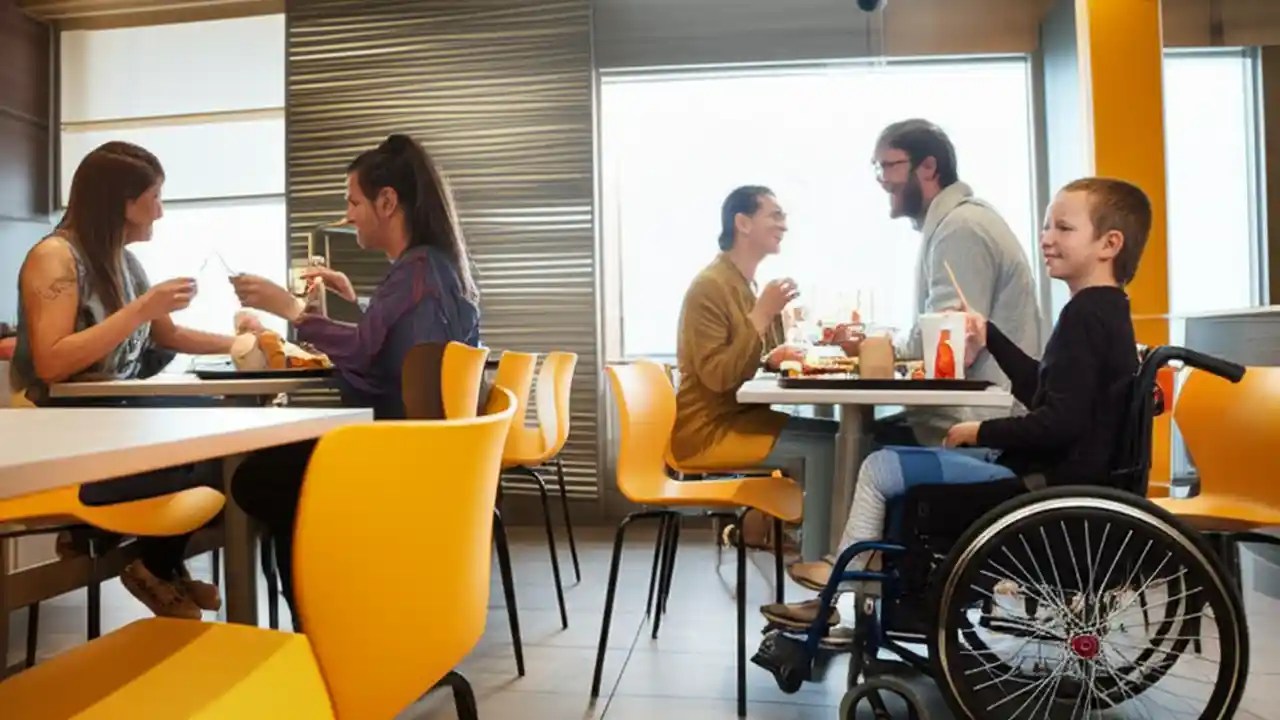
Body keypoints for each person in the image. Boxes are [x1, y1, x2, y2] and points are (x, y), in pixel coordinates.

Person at [768, 177, 1148, 616]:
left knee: (880, 466)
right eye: (1046, 227)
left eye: (1063, 228)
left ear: (1109, 244)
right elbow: (1048, 392)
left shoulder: (1084, 317)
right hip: (1063, 480)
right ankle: (851, 581)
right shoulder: (1105, 311)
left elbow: (1060, 421)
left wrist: (978, 430)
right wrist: (990, 337)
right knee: (896, 466)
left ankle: (842, 583)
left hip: (1042, 486)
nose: (1046, 239)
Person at [228, 133, 481, 627]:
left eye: (354, 201)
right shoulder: (436, 268)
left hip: (395, 457)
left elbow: (368, 354)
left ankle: (322, 629)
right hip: (435, 458)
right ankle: (329, 621)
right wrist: (358, 303)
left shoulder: (416, 272)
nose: (347, 215)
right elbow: (400, 342)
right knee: (278, 474)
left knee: (261, 478)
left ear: (387, 202)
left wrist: (292, 308)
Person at [9, 141, 235, 619]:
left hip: (114, 422)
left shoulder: (124, 262)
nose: (161, 210)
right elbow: (50, 362)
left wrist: (241, 345)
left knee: (227, 440)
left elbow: (167, 334)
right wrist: (140, 310)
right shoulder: (55, 257)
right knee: (190, 446)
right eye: (154, 196)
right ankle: (145, 559)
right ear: (123, 202)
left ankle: (154, 561)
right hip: (61, 432)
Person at [839, 119, 1042, 447]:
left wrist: (877, 346)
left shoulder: (960, 229)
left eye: (889, 166)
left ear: (929, 167)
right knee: (862, 438)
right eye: (877, 168)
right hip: (980, 413)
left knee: (861, 451)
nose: (882, 180)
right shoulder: (959, 222)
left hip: (982, 425)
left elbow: (949, 343)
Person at [672, 185, 836, 561]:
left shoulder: (745, 283)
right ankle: (817, 570)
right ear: (742, 223)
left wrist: (774, 354)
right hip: (707, 430)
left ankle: (794, 536)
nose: (784, 225)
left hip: (740, 417)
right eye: (775, 216)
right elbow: (717, 376)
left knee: (840, 435)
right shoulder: (710, 286)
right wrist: (761, 315)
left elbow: (744, 362)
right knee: (827, 447)